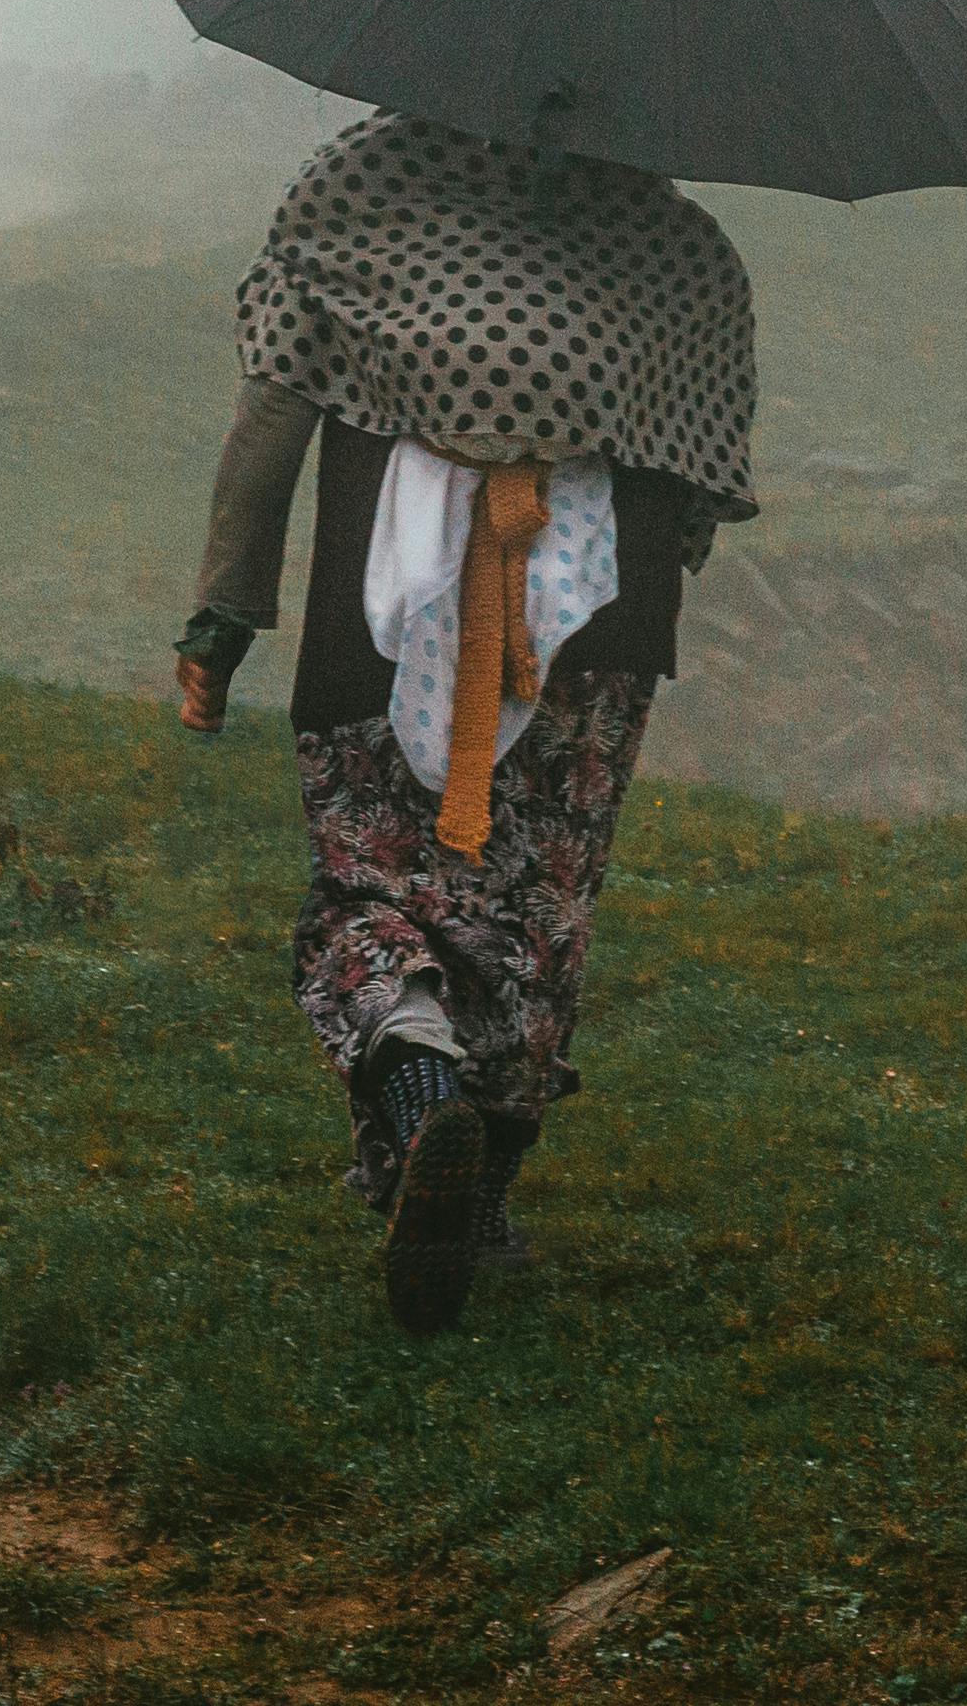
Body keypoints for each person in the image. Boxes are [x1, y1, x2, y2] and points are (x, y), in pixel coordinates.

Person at [169, 109, 758, 1333]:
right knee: (541, 895)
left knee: (371, 871)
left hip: (379, 603)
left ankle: (416, 1080)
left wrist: (223, 612)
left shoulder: (357, 185)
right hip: (597, 616)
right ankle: (477, 1198)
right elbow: (697, 494)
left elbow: (271, 418)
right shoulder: (682, 247)